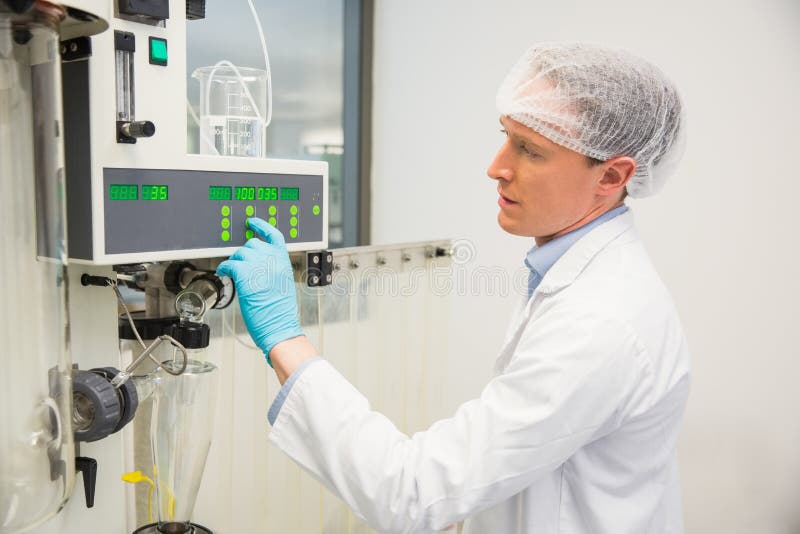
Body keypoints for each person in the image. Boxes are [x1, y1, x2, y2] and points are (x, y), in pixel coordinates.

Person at [217, 42, 690, 534]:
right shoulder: (575, 277)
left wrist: (283, 338)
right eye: (506, 136)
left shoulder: (601, 320)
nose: (497, 166)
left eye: (531, 150)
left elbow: (414, 495)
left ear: (612, 176)